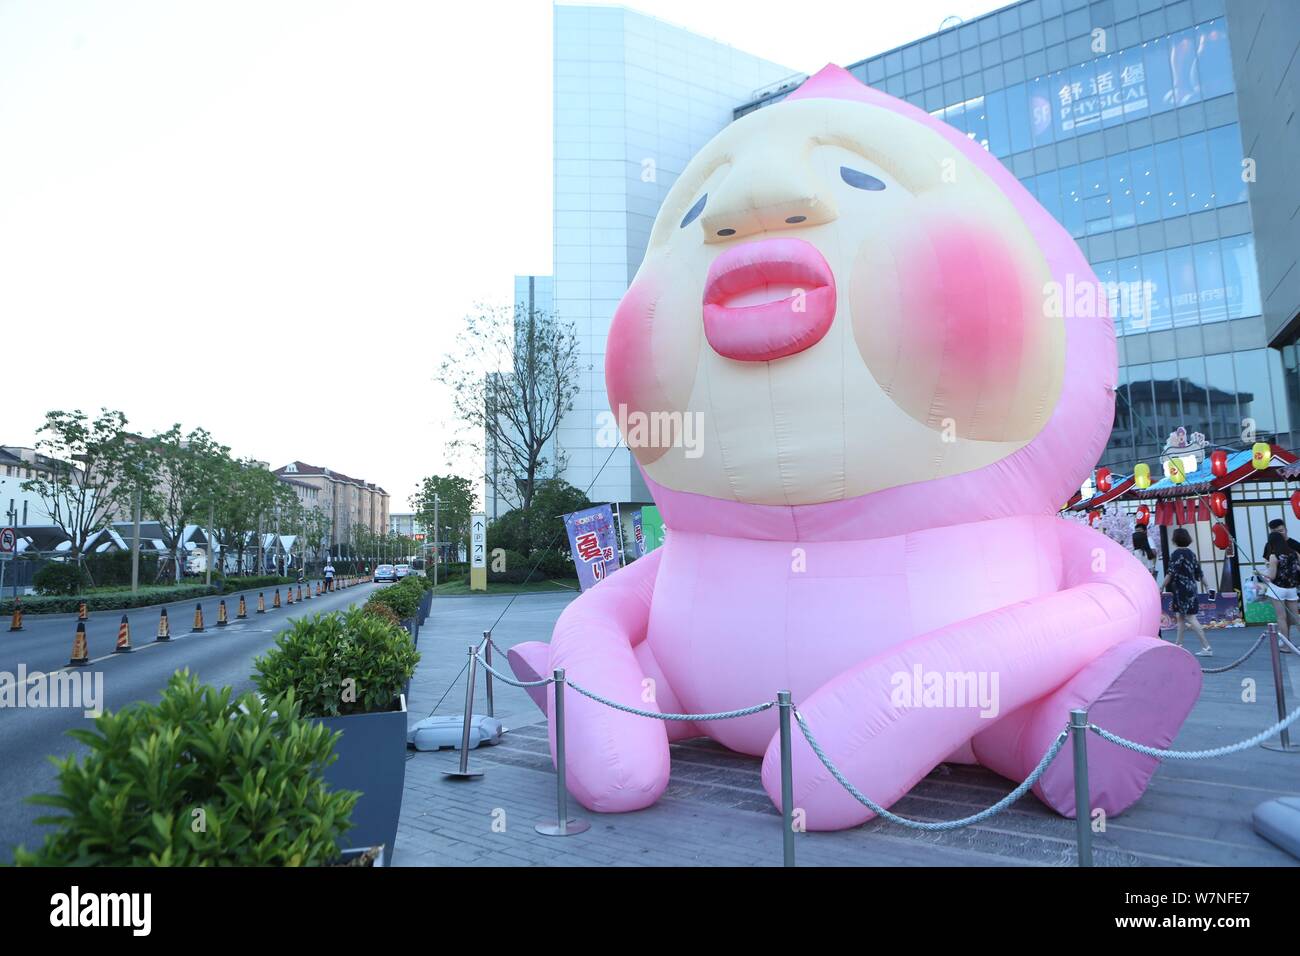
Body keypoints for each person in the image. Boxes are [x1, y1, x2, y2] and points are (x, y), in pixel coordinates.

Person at [1165, 527, 1213, 656]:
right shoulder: (1191, 554)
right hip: (1191, 587)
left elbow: (1171, 573)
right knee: (1180, 617)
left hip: (1181, 589)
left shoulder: (1176, 554)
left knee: (1190, 618)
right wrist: (1208, 586)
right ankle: (1178, 645)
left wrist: (1161, 587)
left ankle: (1207, 647)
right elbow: (1199, 572)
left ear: (1175, 540)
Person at [1261, 531, 1300, 654]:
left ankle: (1286, 645)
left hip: (1278, 589)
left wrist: (1260, 572)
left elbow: (1271, 576)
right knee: (1296, 617)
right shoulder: (1295, 554)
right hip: (1292, 588)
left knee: (1281, 617)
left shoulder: (1274, 556)